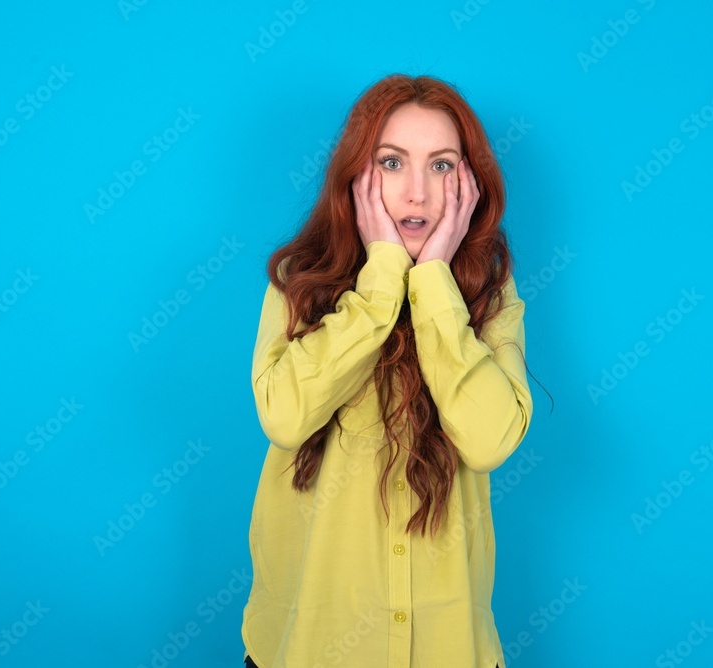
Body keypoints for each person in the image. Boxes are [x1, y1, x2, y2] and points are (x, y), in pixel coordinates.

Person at [242, 73, 533, 668]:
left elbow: (489, 440)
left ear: (471, 182)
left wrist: (431, 283)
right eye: (393, 163)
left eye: (443, 165)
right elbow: (285, 416)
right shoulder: (298, 281)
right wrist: (380, 287)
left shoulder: (489, 293)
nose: (419, 194)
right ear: (356, 173)